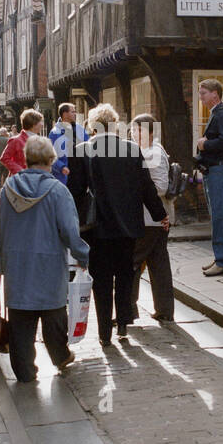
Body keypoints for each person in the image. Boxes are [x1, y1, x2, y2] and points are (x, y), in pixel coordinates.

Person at [0, 135, 91, 383]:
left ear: (26, 159)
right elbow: (69, 230)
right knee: (53, 315)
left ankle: (24, 371)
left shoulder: (9, 189)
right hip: (48, 264)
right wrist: (82, 254)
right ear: (50, 160)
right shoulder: (58, 191)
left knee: (21, 321)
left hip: (16, 266)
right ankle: (60, 356)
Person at [68, 103, 166, 345]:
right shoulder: (132, 149)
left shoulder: (82, 150)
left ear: (92, 125)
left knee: (100, 280)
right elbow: (146, 187)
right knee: (125, 274)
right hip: (127, 226)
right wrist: (159, 214)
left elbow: (75, 192)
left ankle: (104, 333)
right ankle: (122, 323)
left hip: (96, 228)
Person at [128, 113, 175, 323]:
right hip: (155, 219)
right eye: (132, 129)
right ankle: (164, 310)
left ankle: (128, 309)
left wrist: (133, 190)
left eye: (136, 129)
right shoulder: (147, 151)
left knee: (132, 262)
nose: (132, 132)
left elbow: (161, 187)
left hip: (150, 219)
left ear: (147, 131)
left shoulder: (153, 152)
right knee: (158, 263)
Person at [195, 78, 223, 277]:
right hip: (216, 172)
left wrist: (205, 145)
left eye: (203, 93)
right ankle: (221, 258)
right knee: (217, 217)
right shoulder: (218, 113)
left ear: (215, 94)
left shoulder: (221, 114)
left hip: (220, 172)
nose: (201, 97)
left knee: (221, 217)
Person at [50, 102, 87, 183]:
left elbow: (88, 147)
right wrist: (61, 167)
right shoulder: (54, 132)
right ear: (65, 114)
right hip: (64, 174)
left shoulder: (80, 129)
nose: (75, 114)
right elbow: (50, 155)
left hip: (81, 174)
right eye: (73, 112)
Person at [0, 108, 43, 178]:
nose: (42, 124)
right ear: (33, 124)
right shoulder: (16, 140)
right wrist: (20, 171)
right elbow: (4, 158)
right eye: (40, 122)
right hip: (20, 180)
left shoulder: (41, 141)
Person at [0, 124, 12, 189]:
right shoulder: (8, 140)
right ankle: (3, 185)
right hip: (5, 160)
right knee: (5, 174)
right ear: (5, 133)